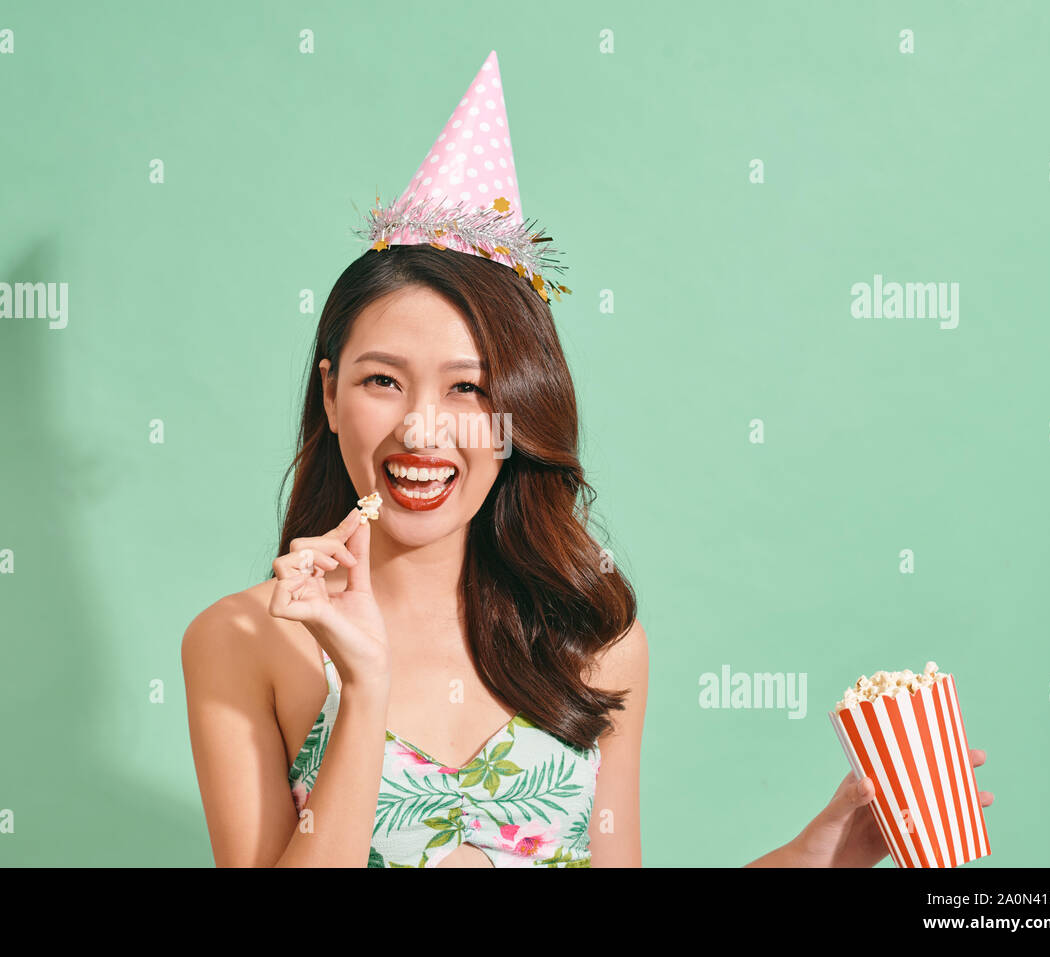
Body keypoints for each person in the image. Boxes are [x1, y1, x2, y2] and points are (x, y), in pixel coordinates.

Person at [181, 51, 991, 868]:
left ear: (518, 414)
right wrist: (362, 688)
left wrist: (820, 855)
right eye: (383, 380)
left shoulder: (591, 639)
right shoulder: (244, 638)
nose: (423, 432)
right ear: (329, 393)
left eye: (469, 389)